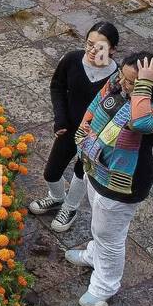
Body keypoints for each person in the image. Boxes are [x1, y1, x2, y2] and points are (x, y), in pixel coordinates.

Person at [66, 52, 153, 306]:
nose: (123, 85)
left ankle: (105, 286)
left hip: (124, 180)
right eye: (124, 78)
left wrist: (143, 87)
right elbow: (94, 108)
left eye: (132, 83)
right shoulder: (118, 85)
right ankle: (95, 255)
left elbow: (139, 124)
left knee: (110, 235)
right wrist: (84, 141)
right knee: (100, 225)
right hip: (97, 167)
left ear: (149, 85)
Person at [28, 22, 119, 232]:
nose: (93, 51)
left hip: (94, 135)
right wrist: (60, 118)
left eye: (100, 47)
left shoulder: (117, 77)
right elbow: (57, 87)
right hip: (68, 128)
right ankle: (57, 198)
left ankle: (70, 207)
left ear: (112, 50)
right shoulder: (72, 60)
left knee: (81, 172)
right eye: (89, 44)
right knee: (51, 172)